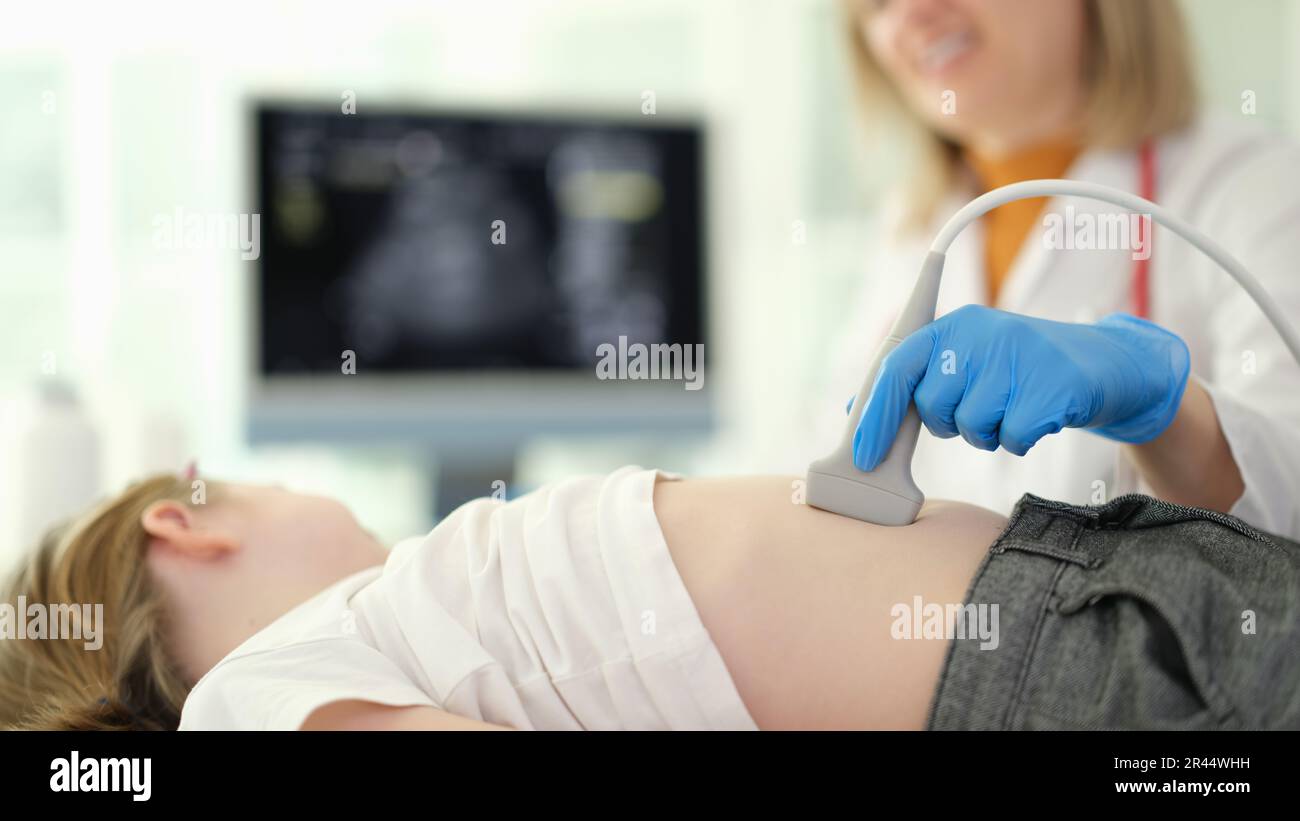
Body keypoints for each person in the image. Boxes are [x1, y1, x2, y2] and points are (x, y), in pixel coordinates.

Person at [1, 466, 1296, 730]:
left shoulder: (393, 619)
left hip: (1108, 595)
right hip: (1076, 666)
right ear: (184, 521)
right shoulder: (244, 701)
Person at [817, 0, 1300, 540]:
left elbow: (1291, 497)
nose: (912, 13)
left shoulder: (1256, 185)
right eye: (876, 2)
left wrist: (1162, 409)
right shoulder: (908, 227)